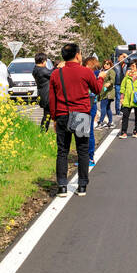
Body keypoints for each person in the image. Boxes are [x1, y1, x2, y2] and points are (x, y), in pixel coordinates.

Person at [47, 42, 103, 196]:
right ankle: (82, 186)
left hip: (62, 114)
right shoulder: (85, 72)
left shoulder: (56, 74)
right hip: (81, 114)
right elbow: (97, 90)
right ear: (78, 55)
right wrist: (101, 78)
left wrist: (54, 118)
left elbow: (52, 99)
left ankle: (62, 187)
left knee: (62, 151)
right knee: (83, 151)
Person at [33, 53, 53, 130]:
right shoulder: (41, 70)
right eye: (45, 61)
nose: (46, 63)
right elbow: (53, 73)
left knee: (47, 114)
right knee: (47, 114)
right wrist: (58, 67)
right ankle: (43, 130)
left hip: (43, 94)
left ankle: (43, 131)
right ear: (42, 61)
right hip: (47, 95)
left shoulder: (36, 69)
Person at [96, 58, 115, 128]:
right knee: (107, 108)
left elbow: (113, 80)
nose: (105, 65)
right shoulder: (102, 71)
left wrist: (109, 83)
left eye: (107, 64)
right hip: (103, 92)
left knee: (103, 107)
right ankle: (110, 122)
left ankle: (100, 122)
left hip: (108, 92)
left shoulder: (111, 71)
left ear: (110, 64)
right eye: (104, 63)